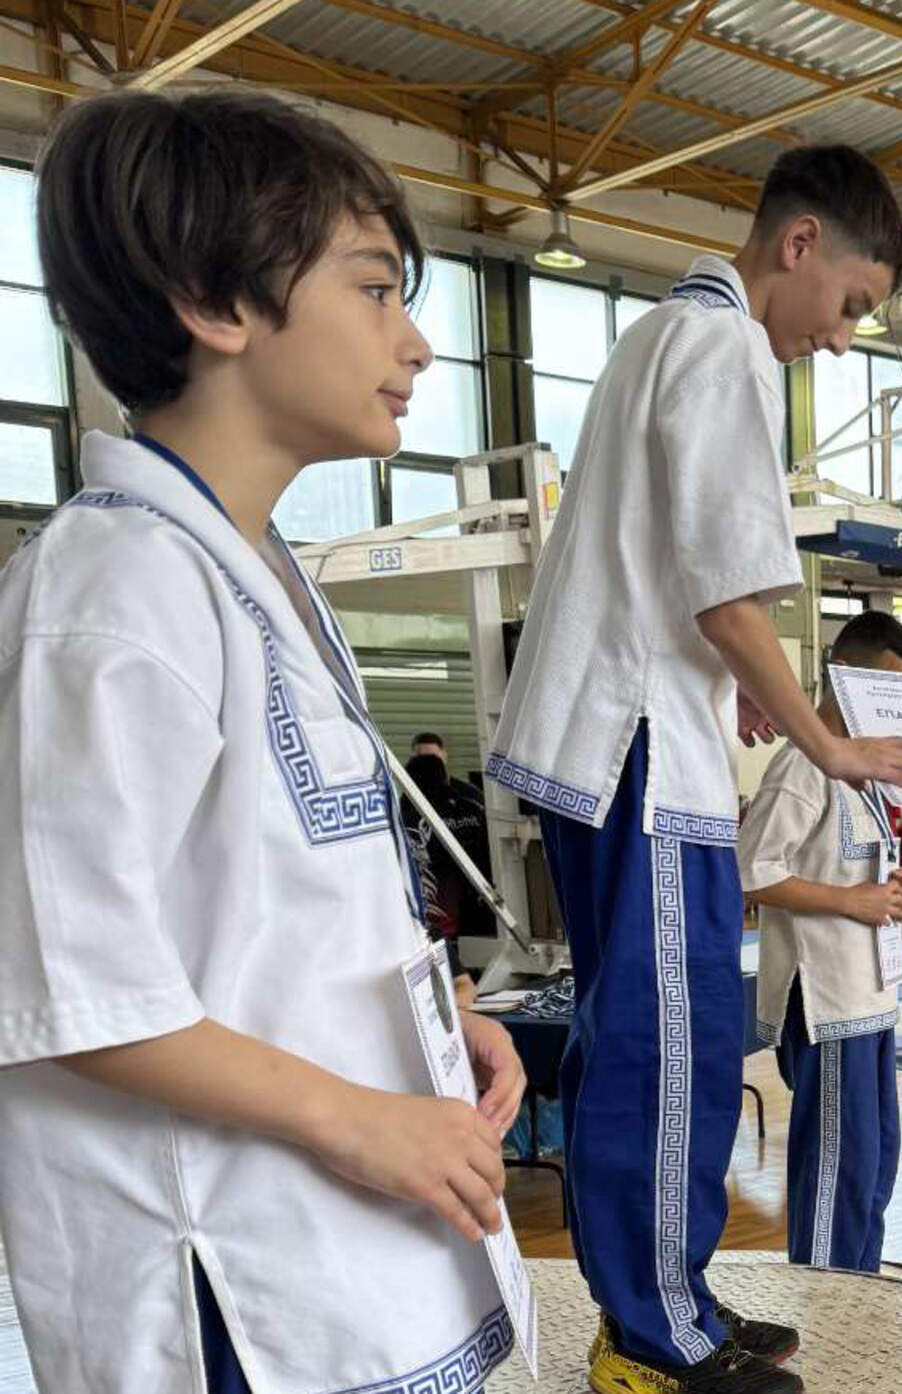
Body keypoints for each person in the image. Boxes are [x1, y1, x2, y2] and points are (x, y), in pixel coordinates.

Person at [0, 90, 528, 1394]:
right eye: (373, 289)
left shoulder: (250, 568)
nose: (414, 345)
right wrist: (362, 1115)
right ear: (214, 301)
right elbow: (70, 984)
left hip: (354, 1230)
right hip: (243, 1286)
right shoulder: (110, 591)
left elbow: (264, 908)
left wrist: (427, 1016)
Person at [485, 144, 902, 1394]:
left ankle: (670, 1294)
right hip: (635, 752)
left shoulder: (660, 337)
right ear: (797, 245)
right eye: (850, 303)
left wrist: (734, 673)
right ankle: (654, 1326)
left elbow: (674, 565)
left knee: (664, 1039)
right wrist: (828, 738)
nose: (843, 340)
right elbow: (732, 592)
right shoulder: (722, 346)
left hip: (626, 735)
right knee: (661, 1044)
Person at [737, 612, 902, 1273]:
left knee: (875, 1165)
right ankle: (825, 1311)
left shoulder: (863, 775)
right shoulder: (802, 765)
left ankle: (860, 1293)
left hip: (871, 995)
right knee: (836, 1174)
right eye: (890, 688)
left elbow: (863, 878)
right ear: (849, 679)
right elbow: (752, 869)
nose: (896, 708)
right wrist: (851, 901)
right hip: (827, 1003)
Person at [402, 751, 495, 980]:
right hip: (487, 906)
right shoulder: (473, 806)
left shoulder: (411, 817)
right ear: (445, 777)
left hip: (443, 919)